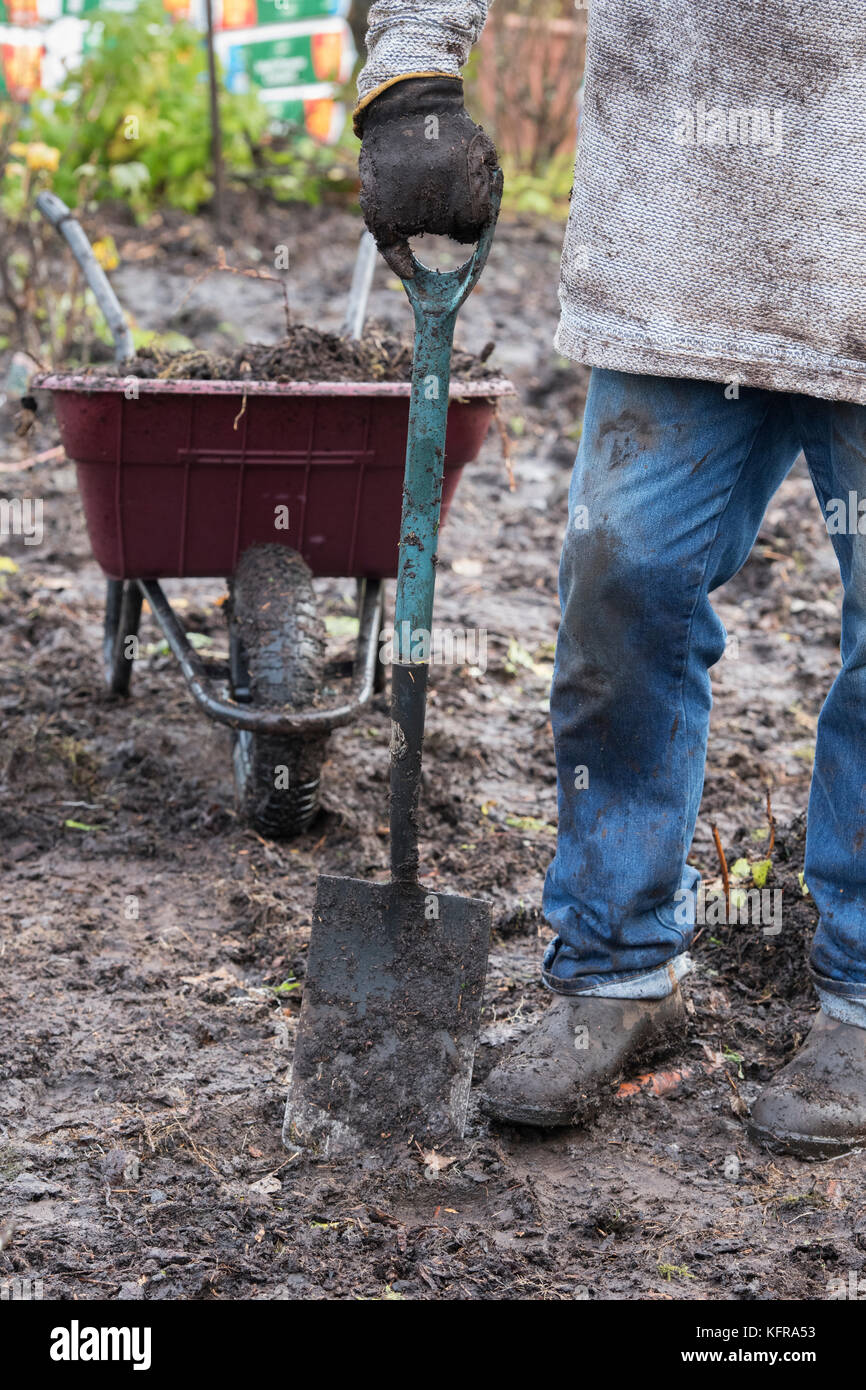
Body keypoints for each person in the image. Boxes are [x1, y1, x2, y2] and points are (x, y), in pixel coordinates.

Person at [354, 0, 866, 1158]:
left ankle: (861, 1000)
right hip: (673, 252)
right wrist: (410, 73)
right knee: (617, 591)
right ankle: (616, 968)